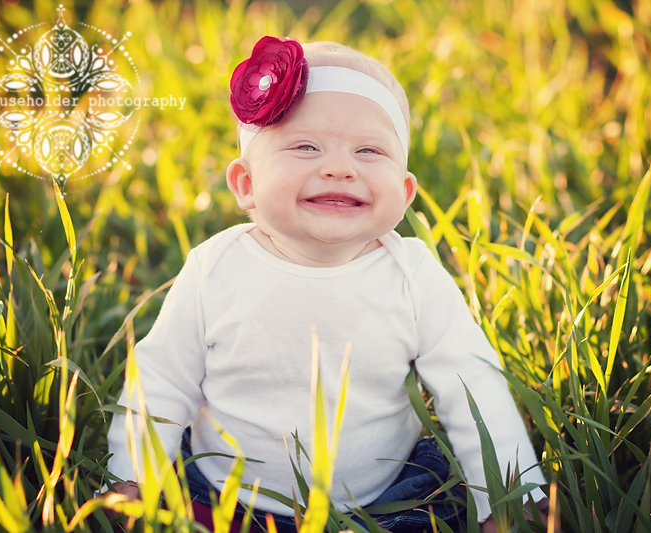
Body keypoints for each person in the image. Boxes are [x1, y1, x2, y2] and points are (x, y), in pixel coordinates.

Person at [105, 36, 548, 532]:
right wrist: (134, 475)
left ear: (403, 194)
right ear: (246, 184)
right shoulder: (216, 268)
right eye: (305, 146)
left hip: (384, 495)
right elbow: (161, 380)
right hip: (224, 490)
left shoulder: (411, 274)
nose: (339, 166)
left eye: (368, 149)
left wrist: (512, 496)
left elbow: (472, 383)